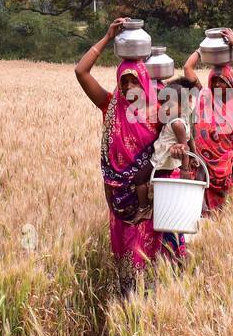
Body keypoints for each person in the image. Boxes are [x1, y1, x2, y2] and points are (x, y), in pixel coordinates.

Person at [74, 18, 184, 294]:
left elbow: (176, 135)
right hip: (118, 196)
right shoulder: (110, 105)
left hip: (149, 195)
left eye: (135, 81)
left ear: (145, 80)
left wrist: (180, 149)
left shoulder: (159, 107)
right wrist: (108, 37)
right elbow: (80, 71)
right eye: (125, 81)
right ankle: (129, 304)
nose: (129, 87)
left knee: (145, 253)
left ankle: (153, 303)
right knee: (124, 253)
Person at [185, 28, 233, 213]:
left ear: (231, 83)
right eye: (214, 81)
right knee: (200, 212)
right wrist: (204, 48)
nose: (217, 85)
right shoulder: (203, 95)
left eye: (222, 81)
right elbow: (187, 68)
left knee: (225, 214)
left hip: (225, 171)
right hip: (201, 167)